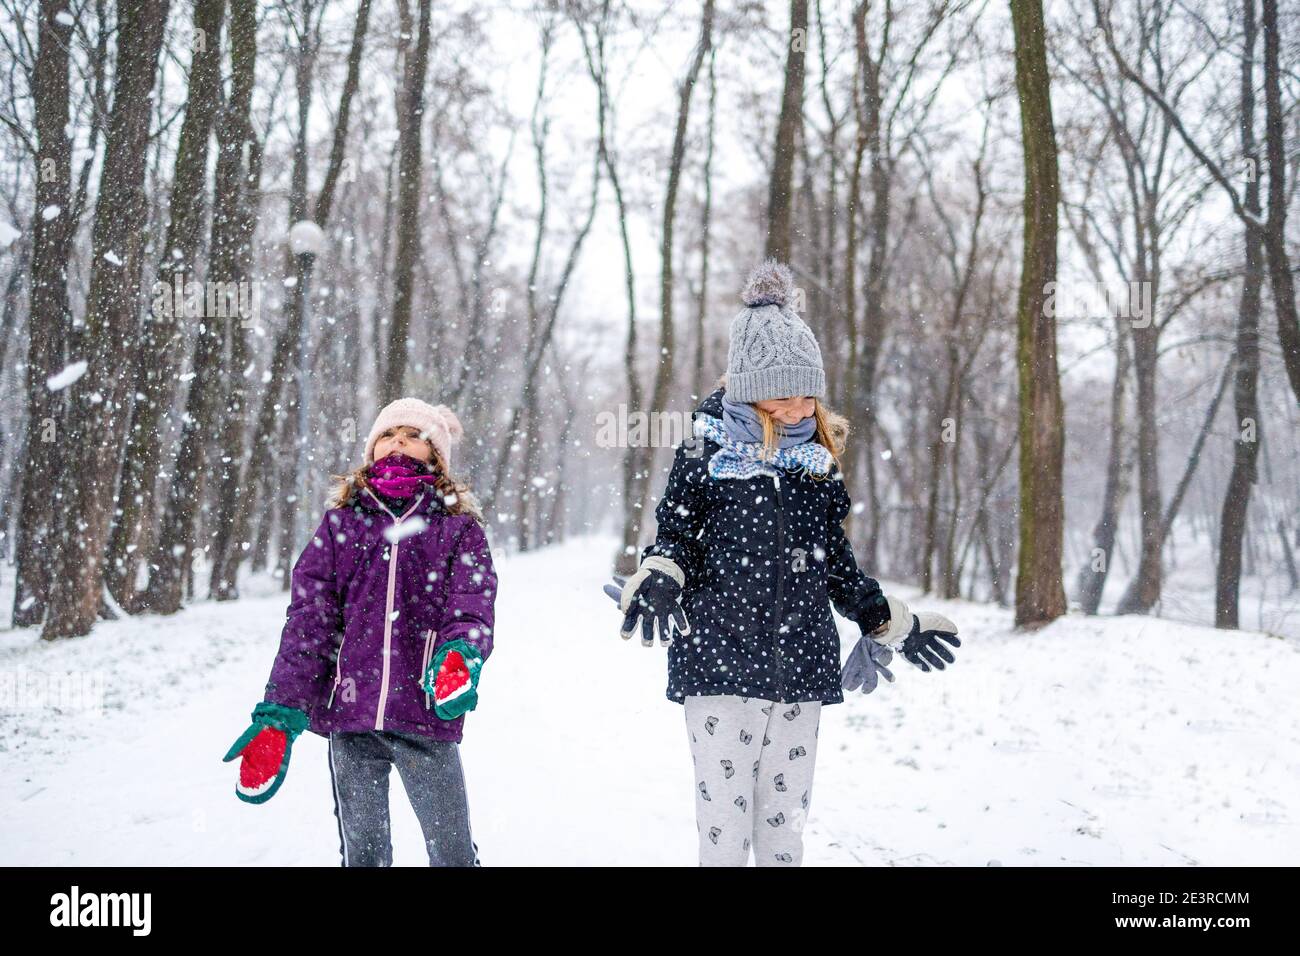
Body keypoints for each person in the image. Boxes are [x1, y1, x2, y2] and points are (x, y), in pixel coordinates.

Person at [607, 260, 960, 866]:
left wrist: (891, 624)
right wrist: (661, 575)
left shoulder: (815, 469)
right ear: (747, 388)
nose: (800, 408)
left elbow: (838, 568)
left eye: (808, 393)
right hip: (718, 660)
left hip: (800, 665)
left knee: (784, 826)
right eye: (784, 393)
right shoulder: (703, 450)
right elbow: (676, 535)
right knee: (723, 825)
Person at [224, 397, 497, 867]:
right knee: (363, 855)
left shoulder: (456, 529)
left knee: (451, 852)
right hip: (351, 713)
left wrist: (458, 656)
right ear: (371, 449)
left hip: (425, 710)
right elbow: (308, 625)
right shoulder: (340, 526)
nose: (398, 442)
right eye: (389, 434)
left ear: (435, 456)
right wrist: (280, 714)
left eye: (413, 436)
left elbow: (471, 605)